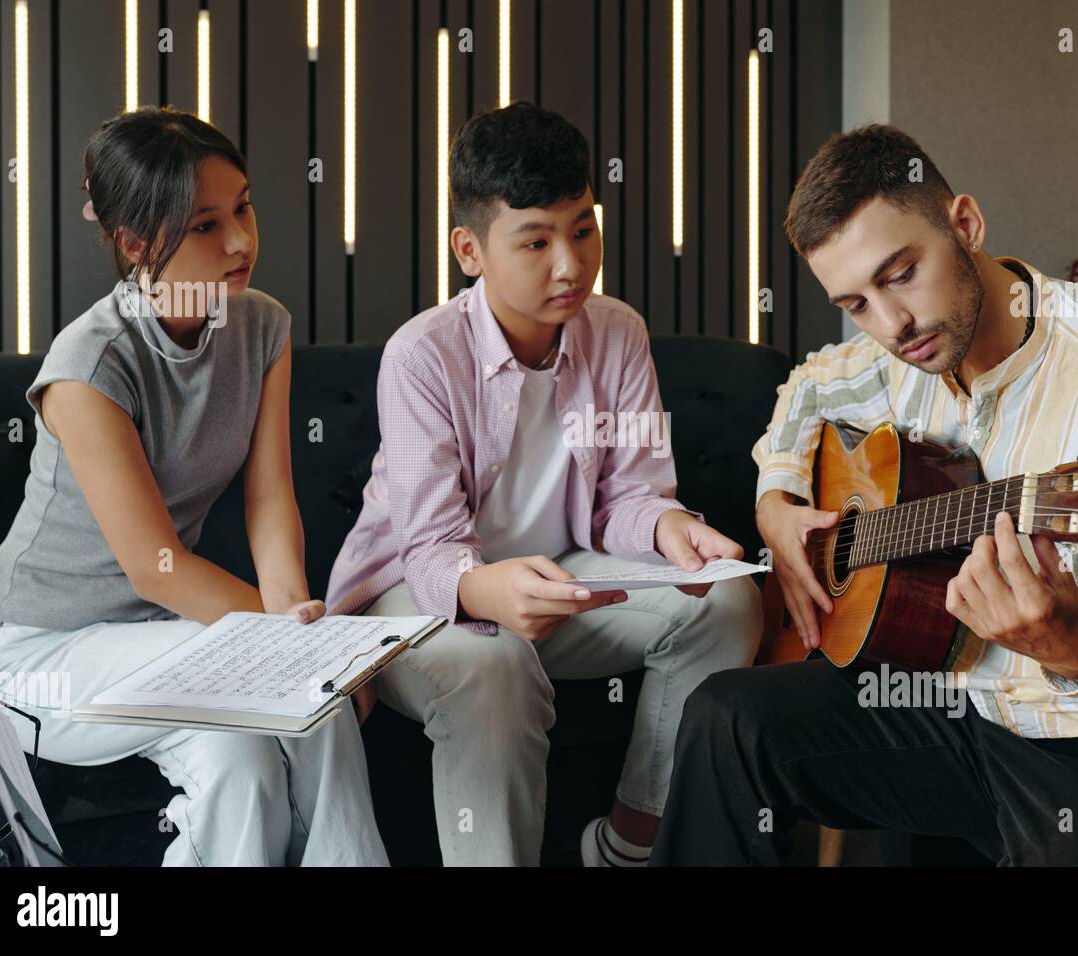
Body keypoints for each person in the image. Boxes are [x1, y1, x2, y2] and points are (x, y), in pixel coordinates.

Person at [651, 123, 1078, 866]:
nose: (891, 325)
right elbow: (806, 389)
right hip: (953, 708)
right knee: (725, 716)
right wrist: (775, 504)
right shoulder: (894, 355)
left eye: (901, 274)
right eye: (855, 305)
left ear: (966, 224)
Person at [326, 102, 763, 866]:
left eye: (583, 229)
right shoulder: (422, 357)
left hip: (560, 582)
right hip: (419, 597)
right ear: (470, 249)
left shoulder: (617, 332)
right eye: (535, 240)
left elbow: (632, 493)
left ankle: (629, 844)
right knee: (492, 664)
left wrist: (670, 530)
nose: (570, 264)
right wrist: (487, 591)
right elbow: (428, 550)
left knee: (724, 598)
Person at [0, 107, 388, 866]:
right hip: (45, 658)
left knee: (246, 763)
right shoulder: (91, 365)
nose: (240, 241)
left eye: (243, 207)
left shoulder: (260, 326)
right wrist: (307, 651)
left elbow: (270, 501)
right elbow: (151, 567)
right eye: (205, 225)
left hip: (175, 638)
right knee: (312, 691)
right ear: (136, 242)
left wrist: (295, 615)